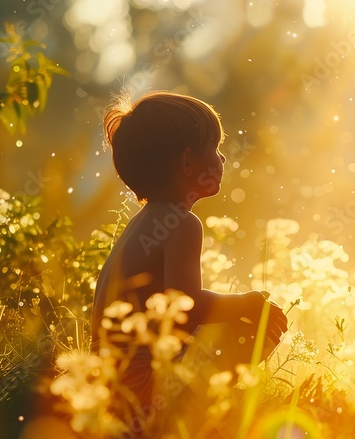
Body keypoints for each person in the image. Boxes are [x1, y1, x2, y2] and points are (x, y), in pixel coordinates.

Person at [92, 91, 288, 413]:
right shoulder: (182, 224)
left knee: (217, 326)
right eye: (215, 148)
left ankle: (190, 408)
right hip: (142, 386)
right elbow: (187, 308)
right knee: (261, 321)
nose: (222, 159)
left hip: (108, 382)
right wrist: (245, 303)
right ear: (187, 162)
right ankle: (189, 410)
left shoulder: (143, 223)